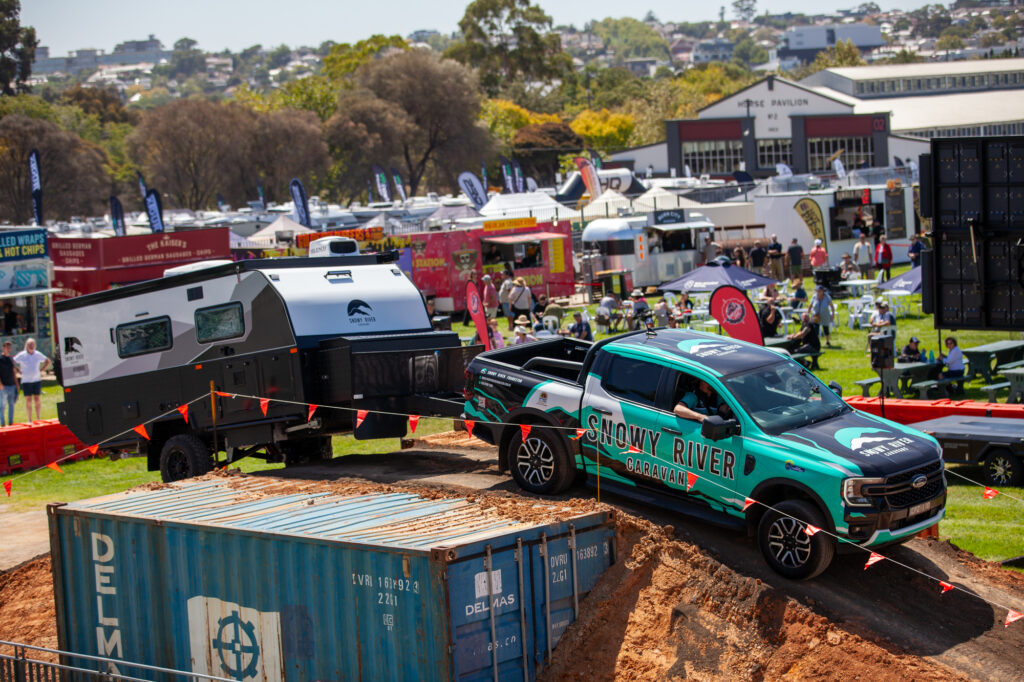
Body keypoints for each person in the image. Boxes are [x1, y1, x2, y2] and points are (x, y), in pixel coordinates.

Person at [14, 338, 49, 422]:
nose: (31, 346)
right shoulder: (22, 355)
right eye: (30, 344)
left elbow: (47, 361)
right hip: (26, 381)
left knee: (37, 399)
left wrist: (42, 369)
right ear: (26, 345)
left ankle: (38, 418)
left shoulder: (37, 354)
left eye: (33, 344)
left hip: (36, 380)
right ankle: (29, 419)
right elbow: (12, 361)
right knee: (28, 400)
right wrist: (18, 370)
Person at [0, 341, 17, 426]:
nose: (8, 349)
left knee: (11, 405)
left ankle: (11, 423)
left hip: (12, 385)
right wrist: (0, 384)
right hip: (3, 386)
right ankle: (2, 424)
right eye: (7, 347)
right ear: (3, 348)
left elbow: (13, 372)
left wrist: (16, 384)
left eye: (9, 347)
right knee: (2, 406)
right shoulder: (0, 359)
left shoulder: (11, 359)